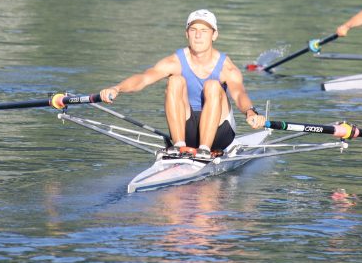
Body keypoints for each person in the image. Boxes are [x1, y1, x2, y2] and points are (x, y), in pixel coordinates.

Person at [98, 9, 266, 159]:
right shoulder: (174, 62)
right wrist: (116, 88)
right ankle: (178, 147)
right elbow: (143, 78)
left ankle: (205, 149)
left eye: (204, 31)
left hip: (220, 133)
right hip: (187, 132)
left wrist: (251, 113)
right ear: (187, 33)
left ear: (214, 35)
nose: (198, 35)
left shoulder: (227, 67)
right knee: (175, 80)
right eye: (193, 30)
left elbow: (239, 94)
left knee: (212, 85)